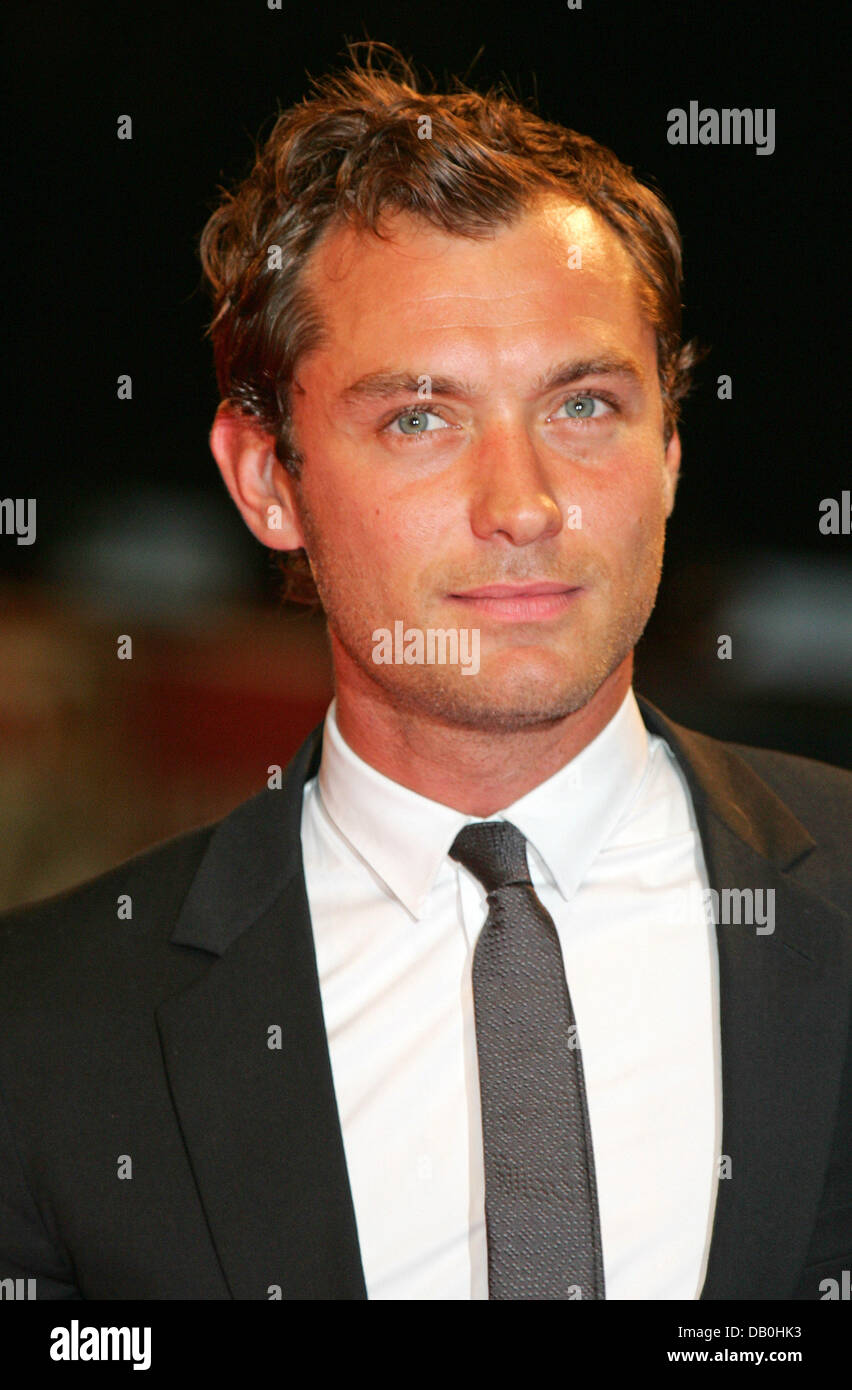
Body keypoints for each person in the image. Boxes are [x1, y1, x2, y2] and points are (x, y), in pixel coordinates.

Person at [0, 43, 849, 1302]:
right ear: (267, 479)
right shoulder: (42, 1031)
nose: (522, 504)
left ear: (671, 446)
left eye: (584, 406)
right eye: (419, 418)